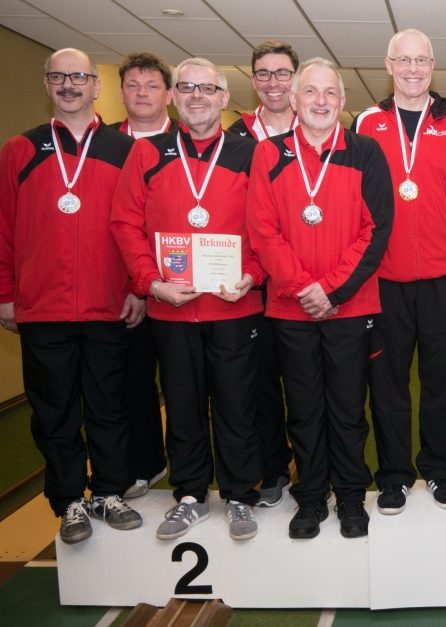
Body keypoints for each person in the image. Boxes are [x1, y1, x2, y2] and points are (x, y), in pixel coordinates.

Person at [111, 57, 263, 542]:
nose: (197, 96)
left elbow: (268, 225)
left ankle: (239, 494)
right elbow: (125, 223)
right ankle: (191, 495)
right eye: (187, 87)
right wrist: (151, 282)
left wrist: (252, 274)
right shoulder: (148, 153)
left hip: (234, 305)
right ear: (174, 97)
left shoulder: (251, 153)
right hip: (171, 308)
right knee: (181, 406)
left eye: (208, 88)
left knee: (237, 405)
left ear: (225, 98)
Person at [0, 47, 142, 544]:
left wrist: (138, 288)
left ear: (95, 86)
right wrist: (5, 292)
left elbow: (138, 227)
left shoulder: (125, 149)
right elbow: (4, 228)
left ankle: (109, 491)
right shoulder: (20, 149)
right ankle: (69, 502)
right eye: (58, 76)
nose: (68, 84)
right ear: (47, 84)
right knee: (53, 411)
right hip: (43, 308)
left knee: (109, 406)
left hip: (108, 304)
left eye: (78, 76)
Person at [248, 57, 393, 539]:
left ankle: (350, 495)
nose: (321, 101)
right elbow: (262, 230)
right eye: (310, 91)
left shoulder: (366, 151)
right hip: (291, 308)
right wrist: (302, 287)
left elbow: (377, 229)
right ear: (293, 99)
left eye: (331, 92)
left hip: (350, 306)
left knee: (348, 409)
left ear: (343, 100)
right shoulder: (269, 154)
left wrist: (331, 289)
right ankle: (310, 497)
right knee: (304, 409)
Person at [354, 29, 446, 514]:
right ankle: (393, 476)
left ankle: (442, 471)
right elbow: (356, 204)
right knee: (387, 385)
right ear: (389, 65)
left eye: (421, 60)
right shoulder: (367, 122)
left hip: (444, 280)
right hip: (383, 280)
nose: (412, 69)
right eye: (403, 61)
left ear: (433, 66)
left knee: (442, 382)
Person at [226, 40, 299, 508]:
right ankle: (273, 467)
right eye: (264, 74)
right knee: (262, 384)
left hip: (306, 279)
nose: (274, 82)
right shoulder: (234, 138)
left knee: (308, 385)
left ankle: (317, 471)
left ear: (295, 79)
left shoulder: (320, 128)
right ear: (253, 81)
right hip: (253, 283)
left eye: (282, 73)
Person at [111, 50, 174, 500]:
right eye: (132, 86)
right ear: (119, 93)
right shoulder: (107, 146)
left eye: (152, 86)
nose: (142, 94)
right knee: (133, 381)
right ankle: (146, 464)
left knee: (186, 385)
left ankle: (198, 470)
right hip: (127, 288)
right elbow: (119, 222)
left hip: (186, 290)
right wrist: (139, 284)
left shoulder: (192, 139)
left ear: (168, 94)